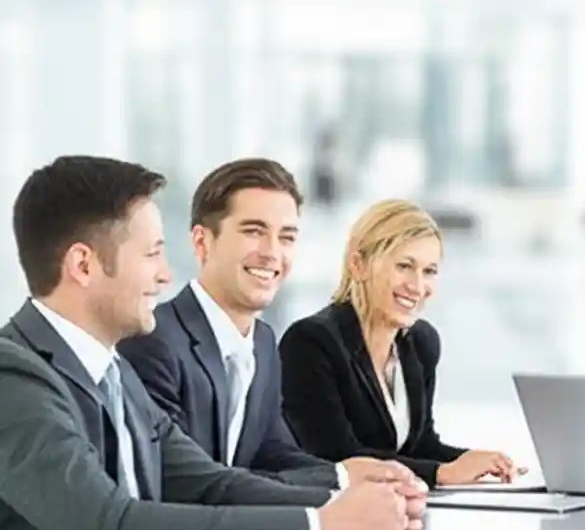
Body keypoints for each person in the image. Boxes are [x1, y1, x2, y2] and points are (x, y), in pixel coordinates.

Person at [0, 156, 425, 530]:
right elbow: (113, 528)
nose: (164, 276)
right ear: (83, 265)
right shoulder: (14, 377)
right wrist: (321, 526)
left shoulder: (111, 370)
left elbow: (209, 483)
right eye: (152, 254)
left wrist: (347, 500)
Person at [118, 158, 408, 489]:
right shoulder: (153, 342)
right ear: (202, 242)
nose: (272, 253)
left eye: (286, 237)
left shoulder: (264, 342)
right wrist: (337, 478)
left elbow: (273, 452)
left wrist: (363, 477)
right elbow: (183, 481)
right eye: (254, 232)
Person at [279, 199, 520, 486]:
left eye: (429, 271)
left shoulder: (421, 343)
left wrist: (476, 462)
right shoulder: (310, 342)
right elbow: (335, 456)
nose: (417, 286)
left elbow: (420, 447)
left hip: (401, 510)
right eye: (405, 266)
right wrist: (442, 473)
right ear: (358, 265)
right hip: (335, 513)